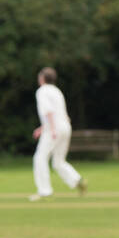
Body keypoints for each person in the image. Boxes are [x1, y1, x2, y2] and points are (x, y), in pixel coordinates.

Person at [29, 67, 86, 200]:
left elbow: (48, 111)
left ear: (42, 78)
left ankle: (45, 191)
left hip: (53, 129)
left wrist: (52, 129)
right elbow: (60, 114)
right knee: (58, 161)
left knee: (40, 158)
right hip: (65, 127)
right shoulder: (57, 91)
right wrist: (42, 128)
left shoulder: (42, 91)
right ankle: (77, 180)